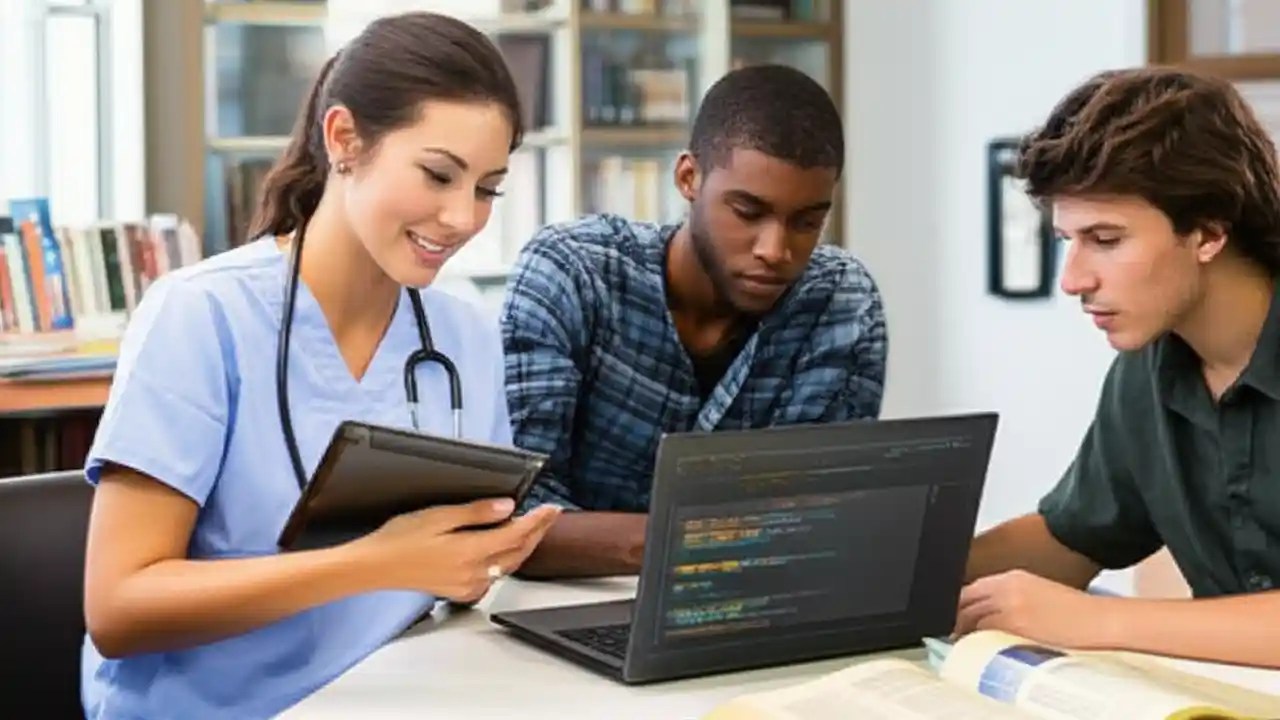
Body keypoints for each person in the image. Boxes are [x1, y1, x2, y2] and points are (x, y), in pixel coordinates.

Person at [79, 12, 562, 718]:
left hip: (395, 698)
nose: (462, 217)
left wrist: (477, 560)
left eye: (487, 189)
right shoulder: (199, 316)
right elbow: (118, 610)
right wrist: (382, 561)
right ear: (344, 139)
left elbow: (452, 574)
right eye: (437, 174)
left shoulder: (462, 335)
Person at [502, 64, 887, 579]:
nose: (775, 251)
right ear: (688, 177)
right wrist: (689, 540)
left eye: (807, 222)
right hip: (552, 609)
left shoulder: (841, 305)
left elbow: (817, 518)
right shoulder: (572, 273)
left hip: (754, 610)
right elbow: (512, 515)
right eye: (748, 212)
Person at [957, 66, 1280, 669]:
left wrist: (1096, 620)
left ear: (1208, 231)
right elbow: (1073, 537)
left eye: (1105, 240)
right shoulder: (1149, 370)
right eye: (1067, 241)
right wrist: (898, 579)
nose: (1073, 280)